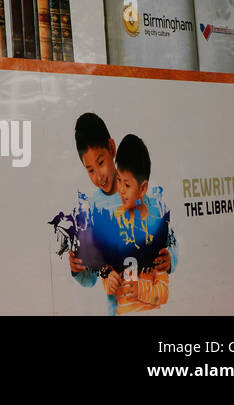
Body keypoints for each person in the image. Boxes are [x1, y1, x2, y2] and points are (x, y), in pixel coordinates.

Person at [69, 114, 175, 307]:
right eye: (90, 170)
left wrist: (171, 259)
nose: (98, 176)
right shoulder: (92, 212)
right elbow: (92, 276)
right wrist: (79, 269)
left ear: (112, 148)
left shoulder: (138, 196)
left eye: (100, 163)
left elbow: (166, 240)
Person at [103, 134, 170, 314]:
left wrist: (142, 290)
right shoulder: (114, 223)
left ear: (142, 189)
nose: (121, 190)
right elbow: (106, 274)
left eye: (127, 184)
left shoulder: (155, 226)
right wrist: (109, 282)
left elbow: (163, 293)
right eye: (118, 181)